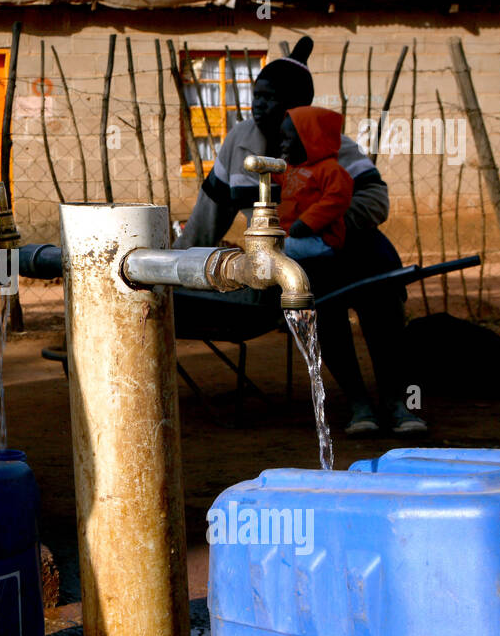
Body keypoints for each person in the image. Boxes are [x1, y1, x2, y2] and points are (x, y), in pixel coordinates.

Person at [176, 36, 425, 436]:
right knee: (316, 304)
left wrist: (329, 223)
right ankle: (359, 404)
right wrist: (178, 264)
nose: (259, 105)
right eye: (256, 95)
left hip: (356, 249)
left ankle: (398, 404)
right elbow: (213, 208)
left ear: (297, 107)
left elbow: (376, 198)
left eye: (271, 98)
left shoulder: (330, 145)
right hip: (298, 256)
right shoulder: (239, 143)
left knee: (380, 305)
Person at [275, 106, 352, 262]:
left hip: (320, 240)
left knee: (274, 252)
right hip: (295, 237)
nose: (282, 145)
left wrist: (307, 222)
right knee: (270, 248)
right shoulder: (293, 168)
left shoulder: (330, 169)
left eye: (287, 139)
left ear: (309, 139)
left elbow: (336, 199)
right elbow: (279, 178)